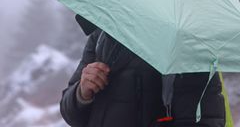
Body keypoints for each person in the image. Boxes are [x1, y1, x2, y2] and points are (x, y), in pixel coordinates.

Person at [60, 15, 226, 127]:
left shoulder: (187, 41)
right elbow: (71, 115)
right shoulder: (102, 33)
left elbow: (204, 119)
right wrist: (81, 94)